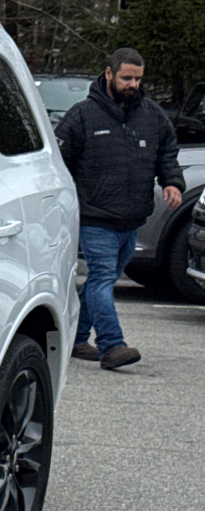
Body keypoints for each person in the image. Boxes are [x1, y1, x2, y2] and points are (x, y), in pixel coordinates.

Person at [55, 47, 185, 369]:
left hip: (132, 218)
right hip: (96, 217)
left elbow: (167, 150)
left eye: (138, 79)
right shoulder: (81, 116)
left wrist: (172, 182)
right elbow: (58, 163)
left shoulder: (152, 115)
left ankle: (75, 338)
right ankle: (112, 346)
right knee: (101, 277)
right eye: (127, 77)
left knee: (104, 278)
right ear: (110, 74)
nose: (133, 85)